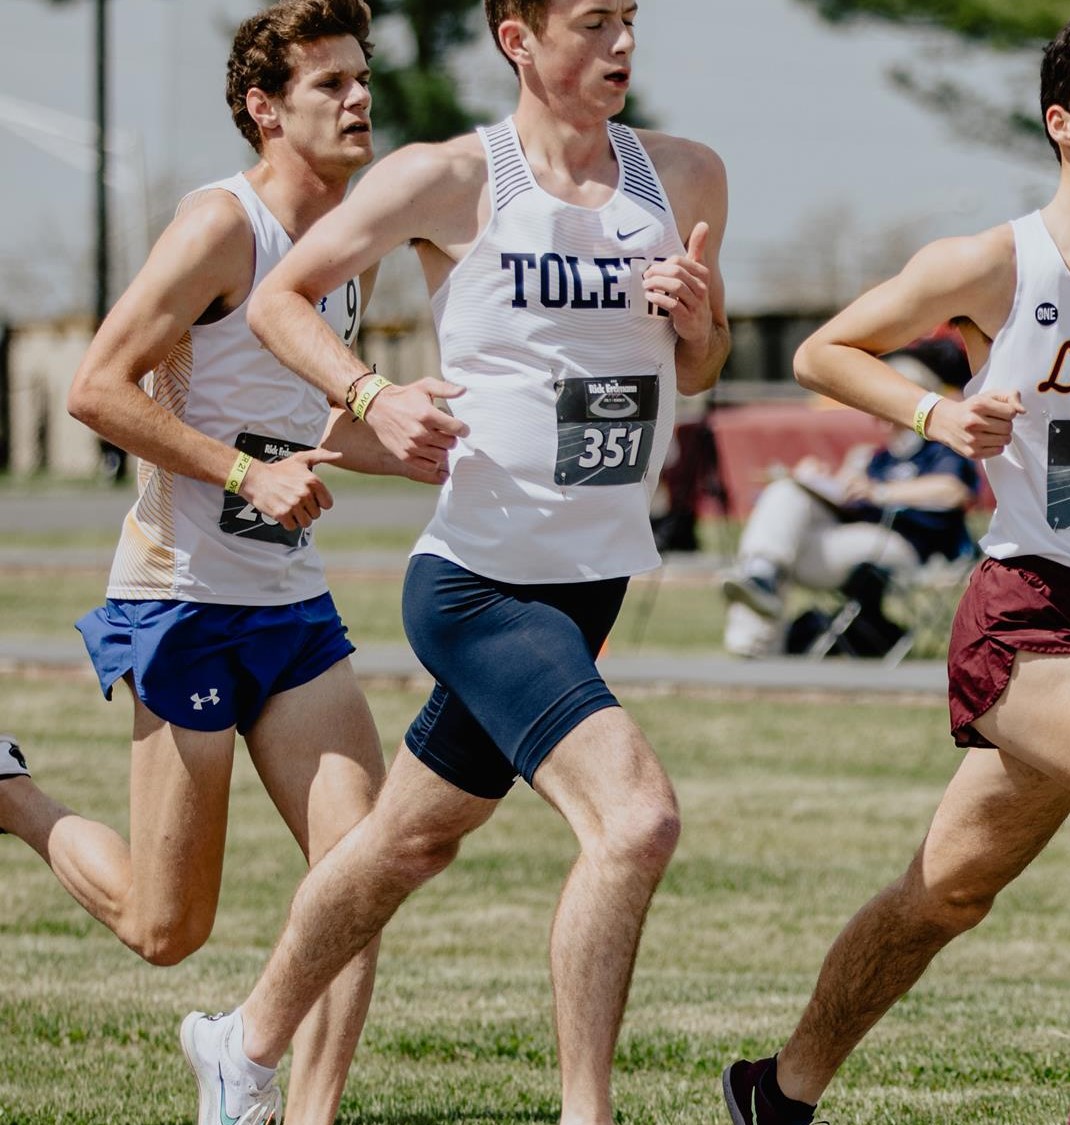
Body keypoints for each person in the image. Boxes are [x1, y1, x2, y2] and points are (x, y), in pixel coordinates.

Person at [180, 1, 730, 1122]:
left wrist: (704, 323)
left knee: (405, 842)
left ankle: (243, 1044)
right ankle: (589, 1113)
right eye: (591, 21)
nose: (622, 43)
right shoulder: (450, 178)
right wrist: (369, 392)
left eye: (630, 18)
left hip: (592, 578)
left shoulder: (685, 176)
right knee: (634, 821)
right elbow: (282, 298)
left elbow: (703, 370)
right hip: (477, 583)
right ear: (518, 38)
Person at [722, 9, 1070, 1125]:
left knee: (947, 894)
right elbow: (821, 350)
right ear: (1065, 125)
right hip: (1024, 619)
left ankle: (776, 1092)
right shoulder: (991, 263)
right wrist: (939, 410)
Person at [0, 4, 437, 1124]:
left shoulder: (353, 243)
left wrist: (433, 453)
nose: (358, 100)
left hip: (289, 607)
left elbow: (307, 432)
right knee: (165, 929)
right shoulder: (219, 226)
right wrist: (247, 481)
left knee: (359, 874)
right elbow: (94, 388)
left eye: (361, 78)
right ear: (264, 107)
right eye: (329, 83)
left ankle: (298, 1111)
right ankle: (17, 799)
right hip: (181, 600)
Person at [720, 348, 979, 658]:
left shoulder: (938, 451)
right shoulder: (873, 457)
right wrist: (820, 481)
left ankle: (759, 611)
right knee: (785, 494)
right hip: (850, 541)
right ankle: (757, 602)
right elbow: (847, 500)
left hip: (904, 548)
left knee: (781, 547)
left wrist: (879, 492)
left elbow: (953, 491)